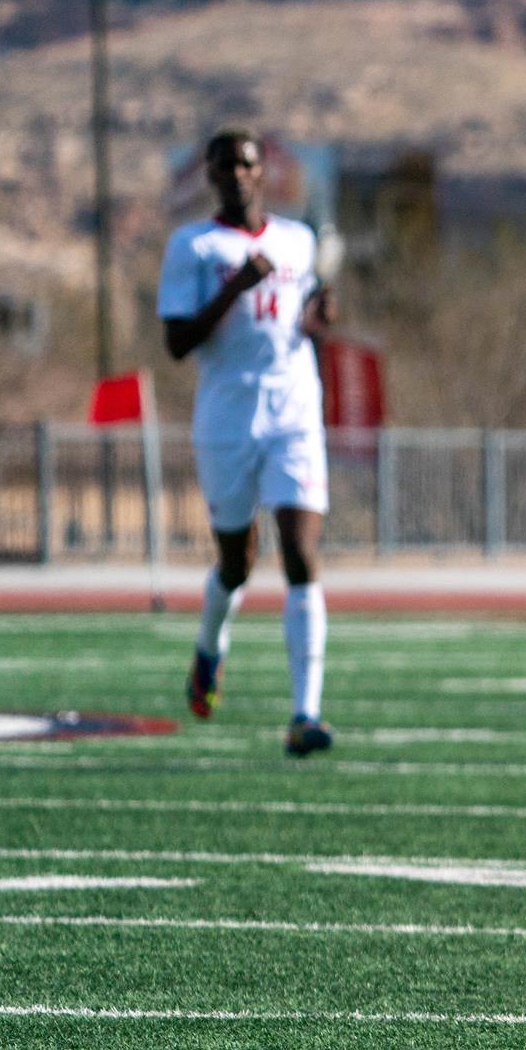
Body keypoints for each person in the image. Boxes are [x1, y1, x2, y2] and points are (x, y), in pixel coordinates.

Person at [159, 128, 336, 758]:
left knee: (300, 554)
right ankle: (209, 648)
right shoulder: (193, 245)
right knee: (237, 562)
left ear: (262, 173)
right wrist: (234, 287)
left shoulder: (298, 240)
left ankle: (305, 714)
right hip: (228, 419)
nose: (237, 173)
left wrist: (319, 319)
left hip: (294, 412)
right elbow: (178, 343)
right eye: (225, 165)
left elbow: (303, 317)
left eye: (247, 163)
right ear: (209, 175)